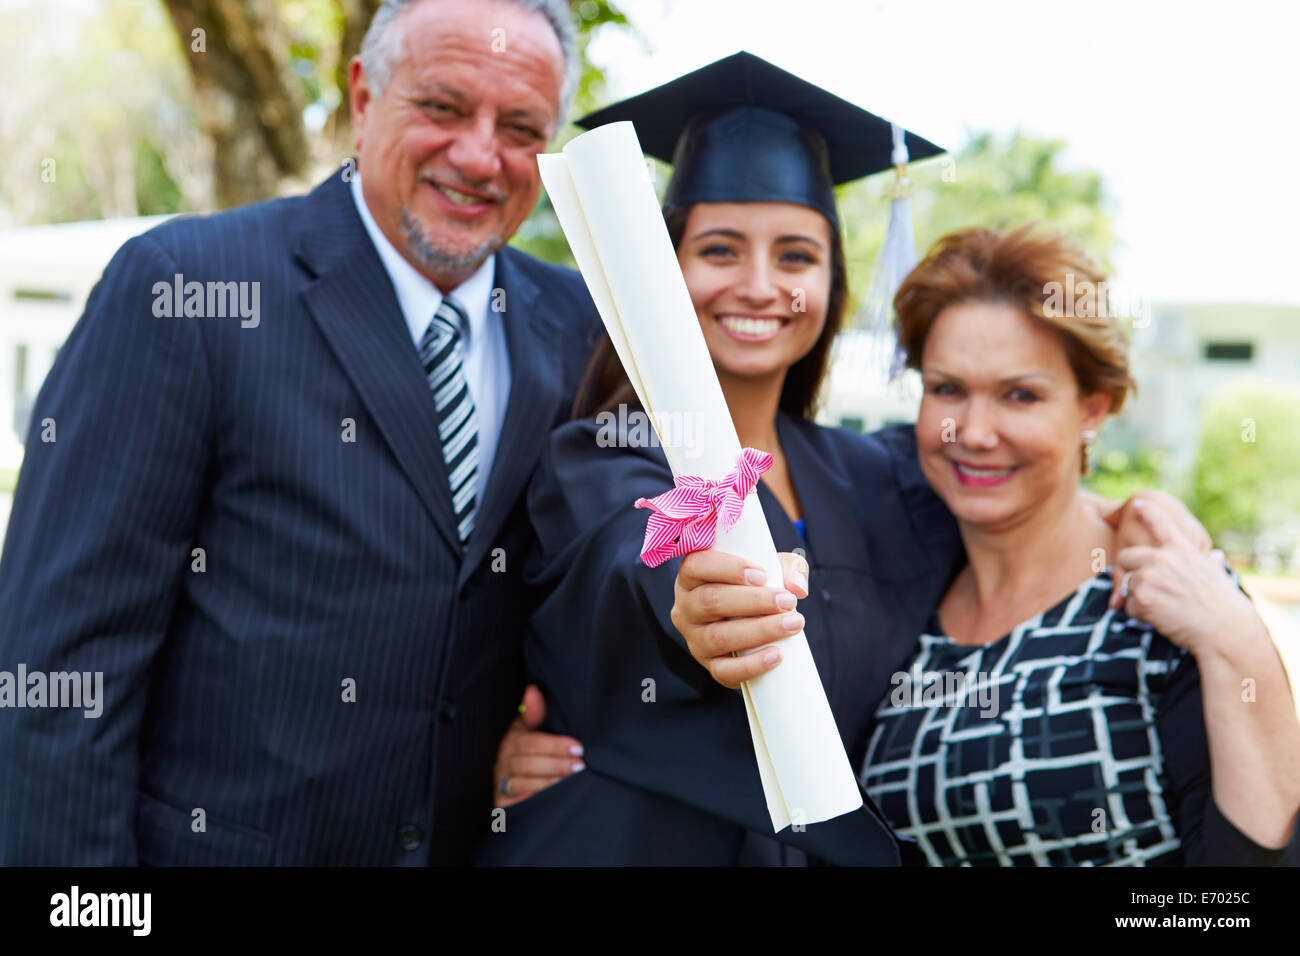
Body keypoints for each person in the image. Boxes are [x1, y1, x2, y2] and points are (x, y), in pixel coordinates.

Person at [477, 54, 1203, 865]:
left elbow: (1016, 483)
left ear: (831, 282)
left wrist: (1139, 513)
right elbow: (634, 566)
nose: (759, 285)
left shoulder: (884, 477)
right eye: (719, 250)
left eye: (795, 256)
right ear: (666, 269)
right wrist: (698, 603)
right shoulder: (600, 462)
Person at [0, 0, 600, 865]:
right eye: (441, 107)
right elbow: (61, 676)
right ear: (363, 95)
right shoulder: (188, 290)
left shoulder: (578, 330)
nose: (479, 155)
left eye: (520, 127)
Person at [672, 226, 1300, 865]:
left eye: (1019, 395)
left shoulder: (1164, 598)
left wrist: (1235, 633)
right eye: (947, 389)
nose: (972, 432)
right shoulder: (904, 599)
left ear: (1092, 410)